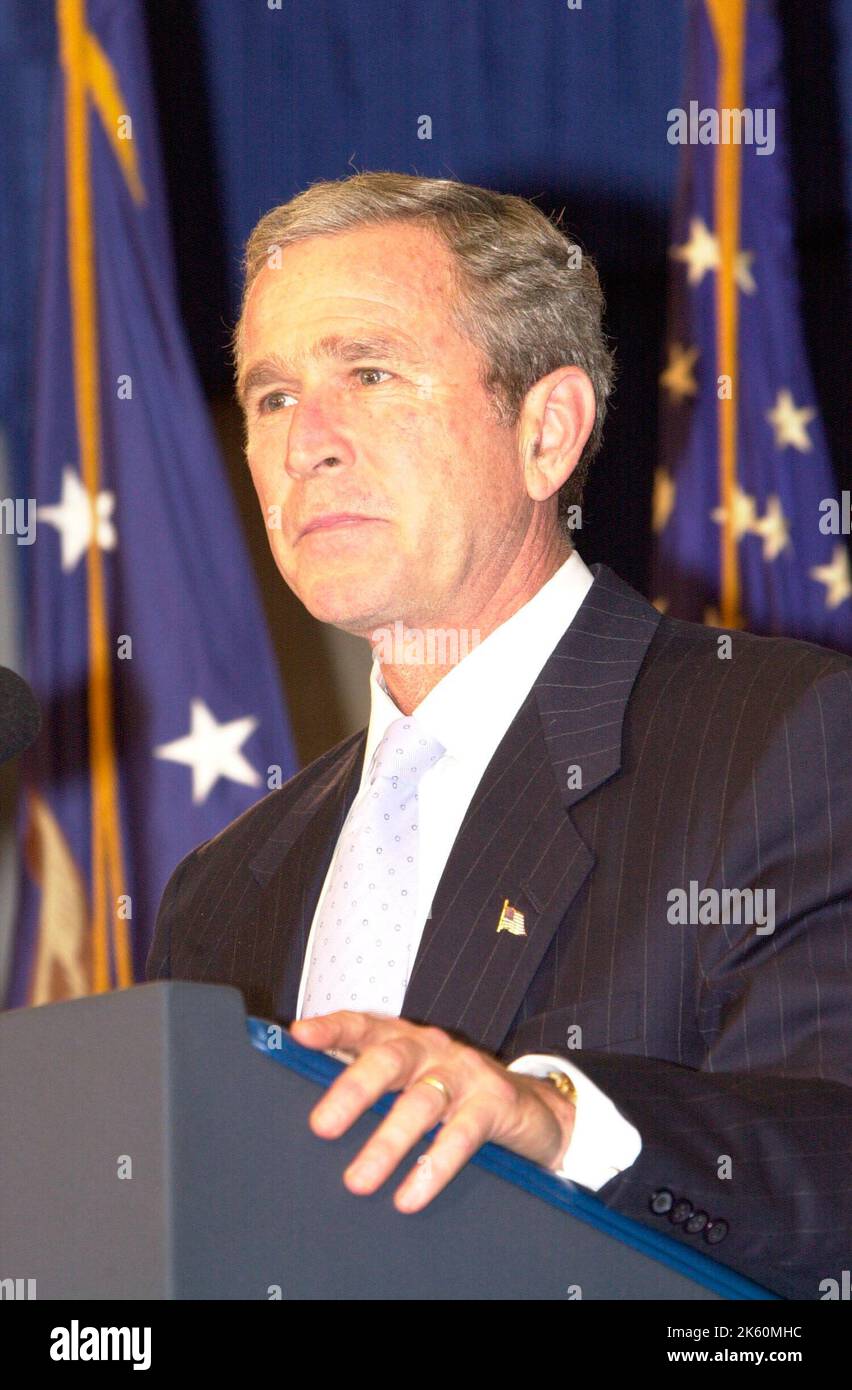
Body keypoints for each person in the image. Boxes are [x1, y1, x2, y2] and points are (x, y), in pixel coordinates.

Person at [147, 172, 852, 1300]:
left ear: (548, 430)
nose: (304, 443)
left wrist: (558, 1121)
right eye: (270, 395)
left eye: (369, 373)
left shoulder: (783, 736)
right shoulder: (221, 886)